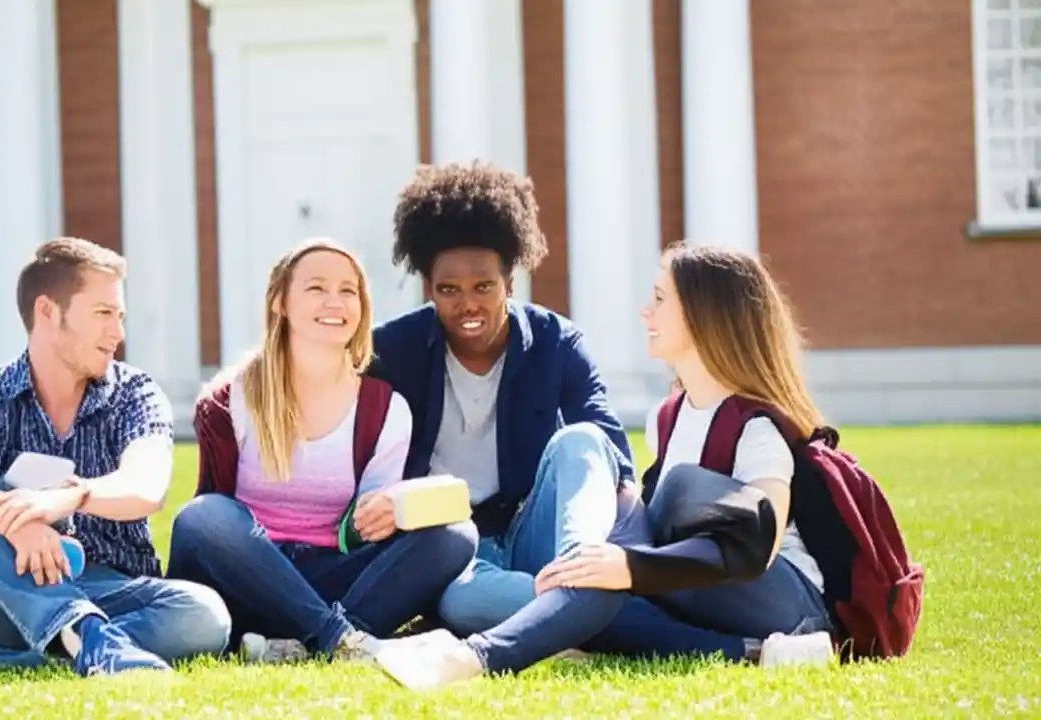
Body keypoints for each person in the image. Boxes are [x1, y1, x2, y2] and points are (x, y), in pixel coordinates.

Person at [374, 243, 835, 689]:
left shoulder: (756, 427)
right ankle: (741, 648)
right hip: (689, 587)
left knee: (600, 462)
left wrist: (631, 565)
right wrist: (617, 567)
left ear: (703, 313)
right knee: (513, 595)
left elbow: (759, 545)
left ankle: (483, 653)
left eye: (659, 298)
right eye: (449, 289)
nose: (644, 311)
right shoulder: (669, 416)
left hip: (778, 602)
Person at [0, 237, 231, 676]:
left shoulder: (135, 394)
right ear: (48, 312)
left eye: (120, 316)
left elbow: (147, 485)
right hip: (5, 590)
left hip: (108, 586)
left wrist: (69, 498)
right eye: (103, 314)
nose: (118, 333)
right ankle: (86, 638)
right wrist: (15, 520)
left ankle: (28, 655)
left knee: (205, 614)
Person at [166, 239, 478, 663]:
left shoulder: (385, 408)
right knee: (203, 515)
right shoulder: (228, 398)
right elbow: (212, 523)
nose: (335, 301)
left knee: (456, 534)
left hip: (331, 576)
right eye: (316, 288)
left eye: (348, 290)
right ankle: (339, 639)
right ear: (280, 302)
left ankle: (305, 644)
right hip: (246, 578)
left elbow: (361, 531)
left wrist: (386, 509)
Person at [366, 161, 637, 637]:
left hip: (533, 531)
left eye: (484, 286)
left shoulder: (558, 343)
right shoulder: (392, 351)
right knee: (463, 601)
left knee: (583, 441)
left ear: (510, 283)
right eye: (448, 289)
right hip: (450, 544)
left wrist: (635, 549)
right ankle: (579, 608)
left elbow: (614, 463)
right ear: (428, 288)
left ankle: (579, 578)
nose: (467, 304)